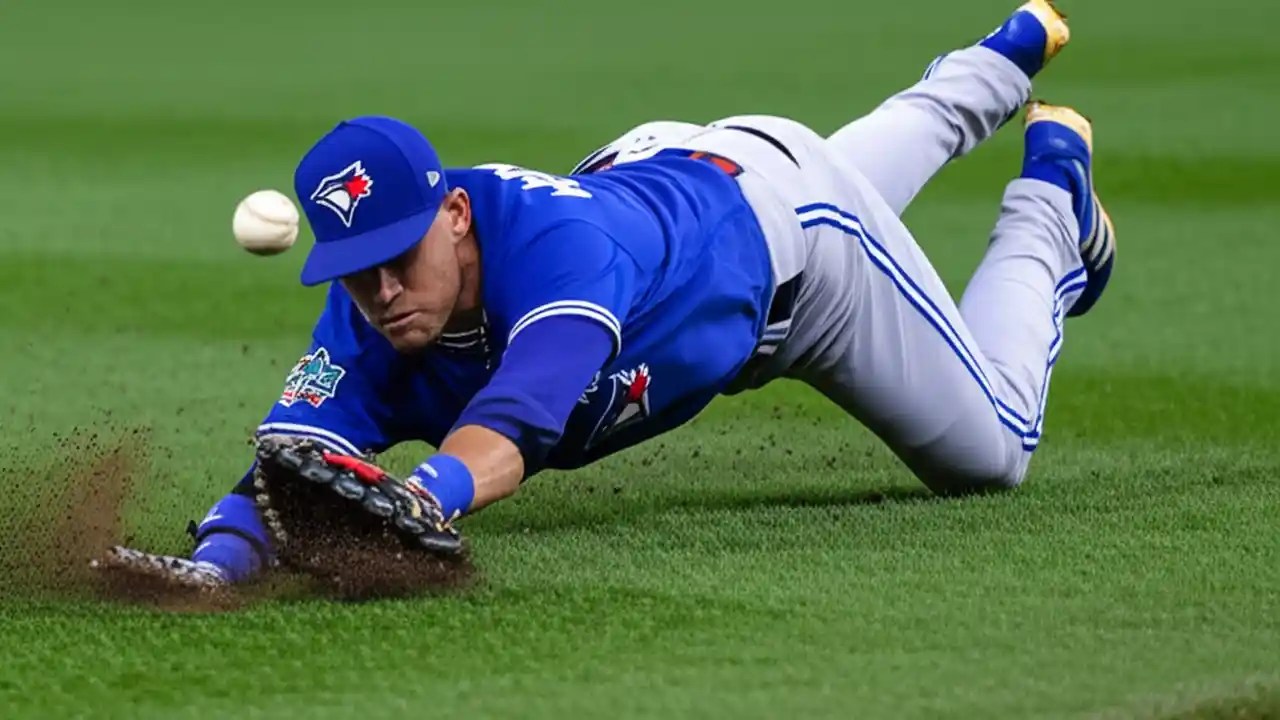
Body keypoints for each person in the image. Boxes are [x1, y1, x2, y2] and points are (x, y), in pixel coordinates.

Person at [101, 0, 1115, 589]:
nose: (379, 292)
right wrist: (217, 565)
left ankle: (1050, 205)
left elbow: (516, 418)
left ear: (453, 215)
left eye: (397, 259)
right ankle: (996, 60)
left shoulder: (559, 258)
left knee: (990, 449)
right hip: (681, 173)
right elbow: (294, 465)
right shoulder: (370, 296)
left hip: (798, 253)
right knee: (839, 164)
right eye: (354, 272)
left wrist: (425, 495)